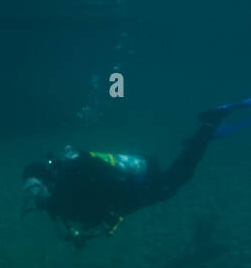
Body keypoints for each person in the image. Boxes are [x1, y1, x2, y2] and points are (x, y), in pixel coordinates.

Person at [22, 101, 251, 247]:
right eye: (28, 190)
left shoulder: (70, 181)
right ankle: (198, 140)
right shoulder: (52, 202)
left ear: (46, 180)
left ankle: (210, 123)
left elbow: (103, 181)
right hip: (129, 198)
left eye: (34, 187)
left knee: (180, 177)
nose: (34, 195)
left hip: (135, 185)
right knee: (177, 178)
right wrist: (77, 233)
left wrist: (109, 213)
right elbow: (74, 219)